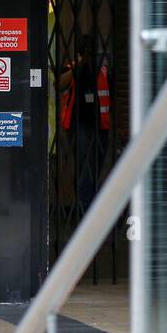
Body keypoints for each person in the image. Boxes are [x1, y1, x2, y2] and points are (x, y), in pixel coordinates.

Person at [58, 34, 110, 213]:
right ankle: (86, 210)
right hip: (79, 125)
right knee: (85, 167)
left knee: (95, 166)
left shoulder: (102, 67)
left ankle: (89, 206)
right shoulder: (72, 67)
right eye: (86, 49)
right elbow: (60, 84)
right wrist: (79, 65)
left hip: (101, 125)